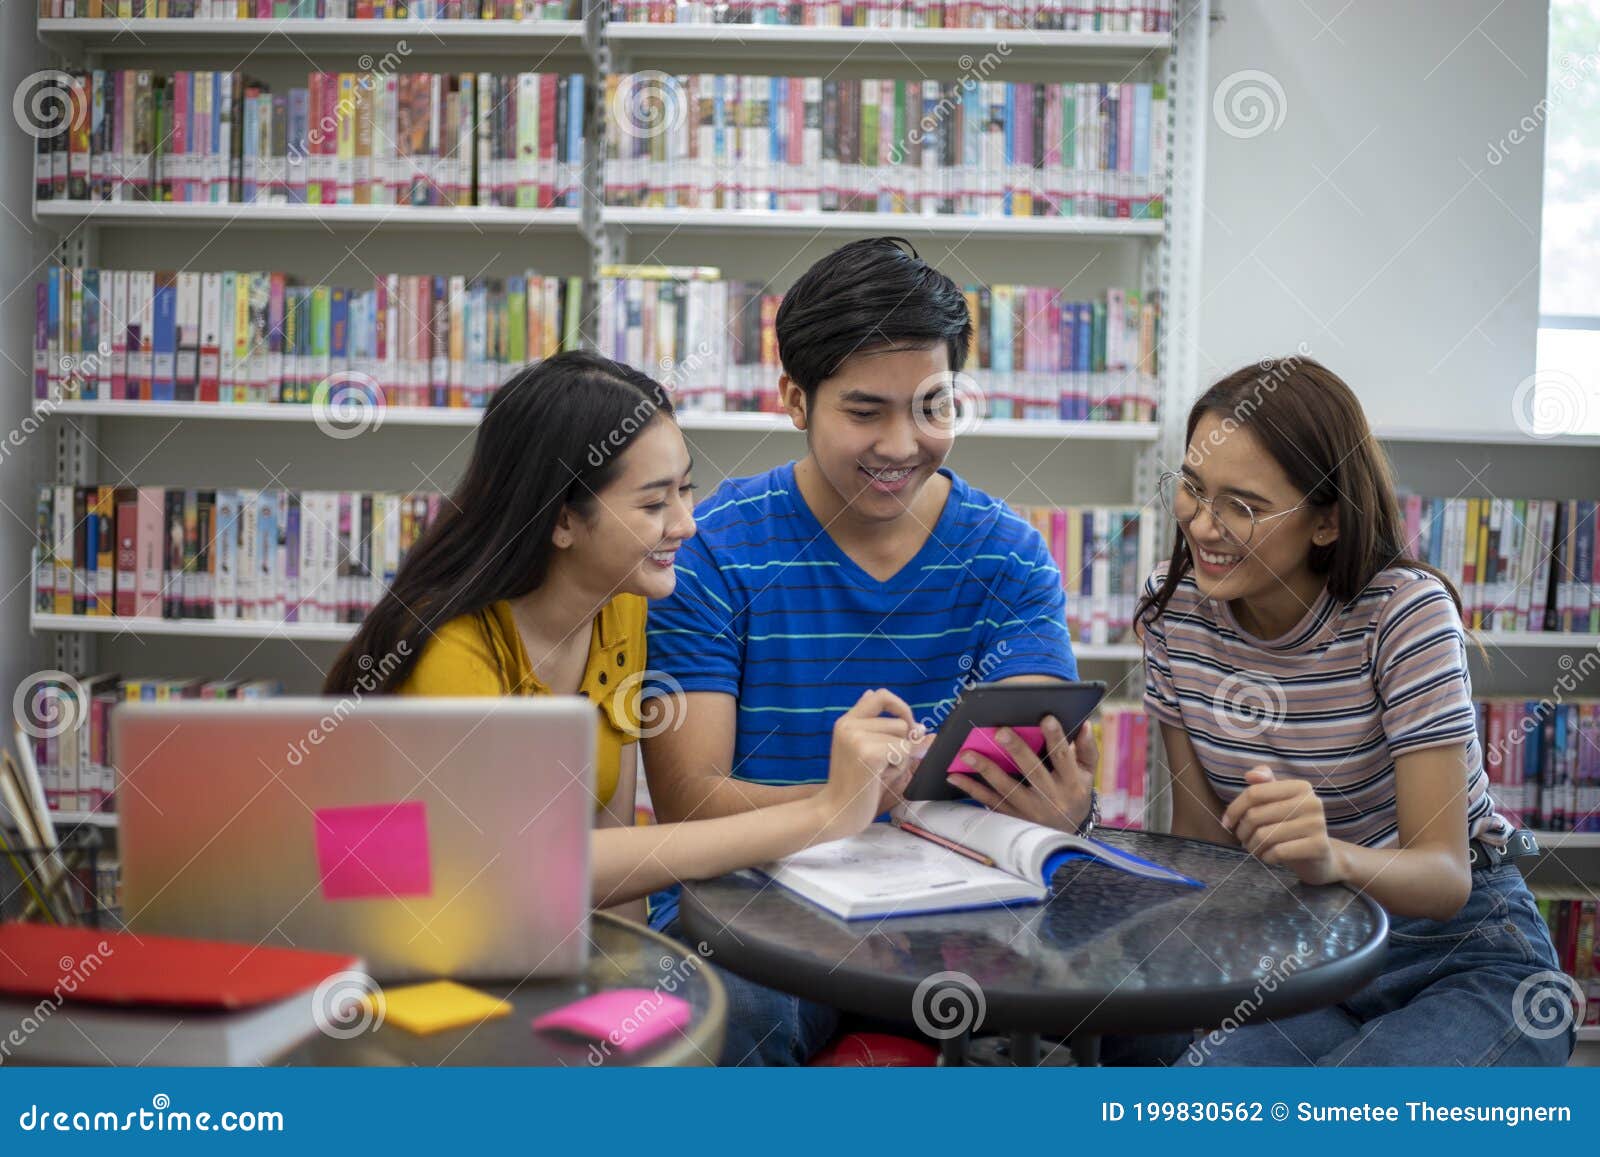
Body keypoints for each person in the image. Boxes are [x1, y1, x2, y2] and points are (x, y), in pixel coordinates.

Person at [642, 237, 1099, 1065]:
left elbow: (1025, 755)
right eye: (865, 411)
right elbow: (687, 805)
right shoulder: (712, 551)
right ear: (794, 398)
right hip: (754, 912)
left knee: (1074, 1029)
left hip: (955, 912)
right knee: (738, 1017)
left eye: (931, 405)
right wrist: (840, 794)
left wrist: (1060, 809)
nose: (902, 443)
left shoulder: (1010, 556)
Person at [324, 350, 924, 950]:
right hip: (400, 953)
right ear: (562, 521)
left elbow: (618, 843)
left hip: (529, 946)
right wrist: (821, 815)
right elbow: (525, 868)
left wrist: (627, 994)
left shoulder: (620, 603)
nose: (688, 524)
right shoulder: (450, 651)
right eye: (654, 503)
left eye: (686, 490)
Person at [1138, 355, 1573, 1067]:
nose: (1203, 525)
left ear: (1327, 523)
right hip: (1297, 953)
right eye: (1191, 487)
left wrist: (1328, 855)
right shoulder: (1173, 610)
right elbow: (1203, 841)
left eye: (1241, 505)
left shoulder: (1403, 615)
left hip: (1458, 950)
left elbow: (1444, 874)